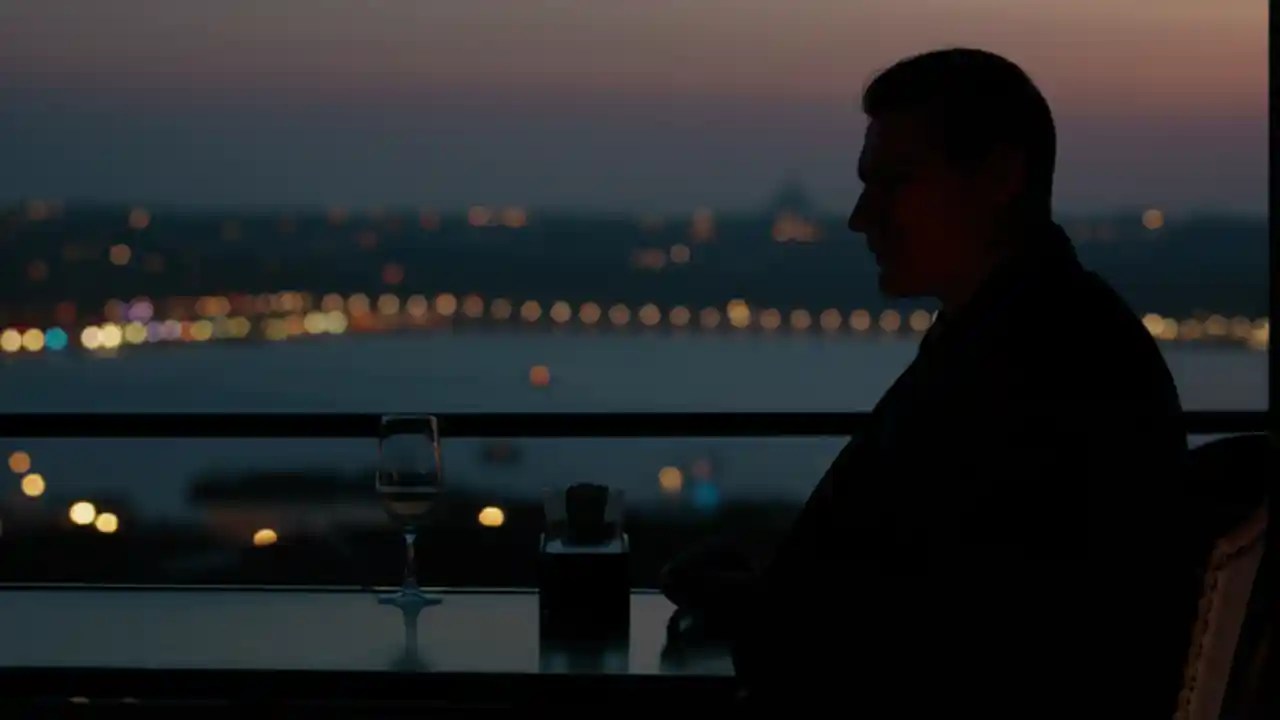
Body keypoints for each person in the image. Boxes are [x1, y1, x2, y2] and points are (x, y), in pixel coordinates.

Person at [662, 48, 1198, 715]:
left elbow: (935, 632)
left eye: (895, 182)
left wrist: (763, 608)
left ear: (1001, 176)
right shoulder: (1030, 340)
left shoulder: (1030, 371)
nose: (862, 216)